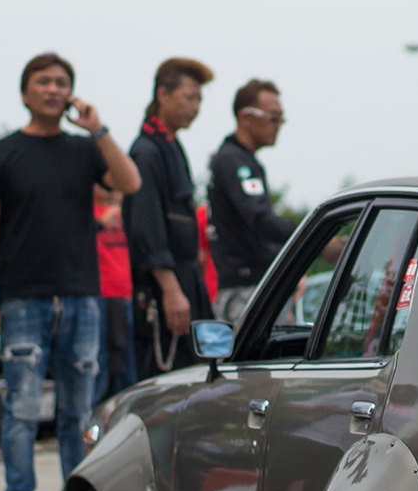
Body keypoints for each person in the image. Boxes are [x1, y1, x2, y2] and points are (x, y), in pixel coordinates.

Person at [0, 53, 142, 491]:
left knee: (77, 410)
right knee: (23, 405)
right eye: (43, 81)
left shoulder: (84, 149)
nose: (52, 89)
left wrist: (97, 128)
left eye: (62, 82)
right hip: (23, 295)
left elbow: (129, 182)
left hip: (82, 294)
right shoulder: (2, 153)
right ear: (25, 92)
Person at [124, 57, 215, 378]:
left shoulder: (171, 145)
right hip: (162, 287)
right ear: (163, 94)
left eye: (199, 99)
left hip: (187, 279)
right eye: (189, 97)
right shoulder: (147, 152)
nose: (195, 107)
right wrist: (170, 289)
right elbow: (146, 226)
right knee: (168, 380)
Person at [207, 79, 294, 323]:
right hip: (245, 290)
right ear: (245, 117)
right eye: (273, 117)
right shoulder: (235, 162)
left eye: (281, 119)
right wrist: (313, 237)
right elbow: (260, 220)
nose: (277, 126)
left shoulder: (238, 159)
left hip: (249, 287)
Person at [93, 186, 135, 403]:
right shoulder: (90, 213)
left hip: (124, 294)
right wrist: (99, 223)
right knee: (100, 361)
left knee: (125, 361)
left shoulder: (123, 213)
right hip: (100, 294)